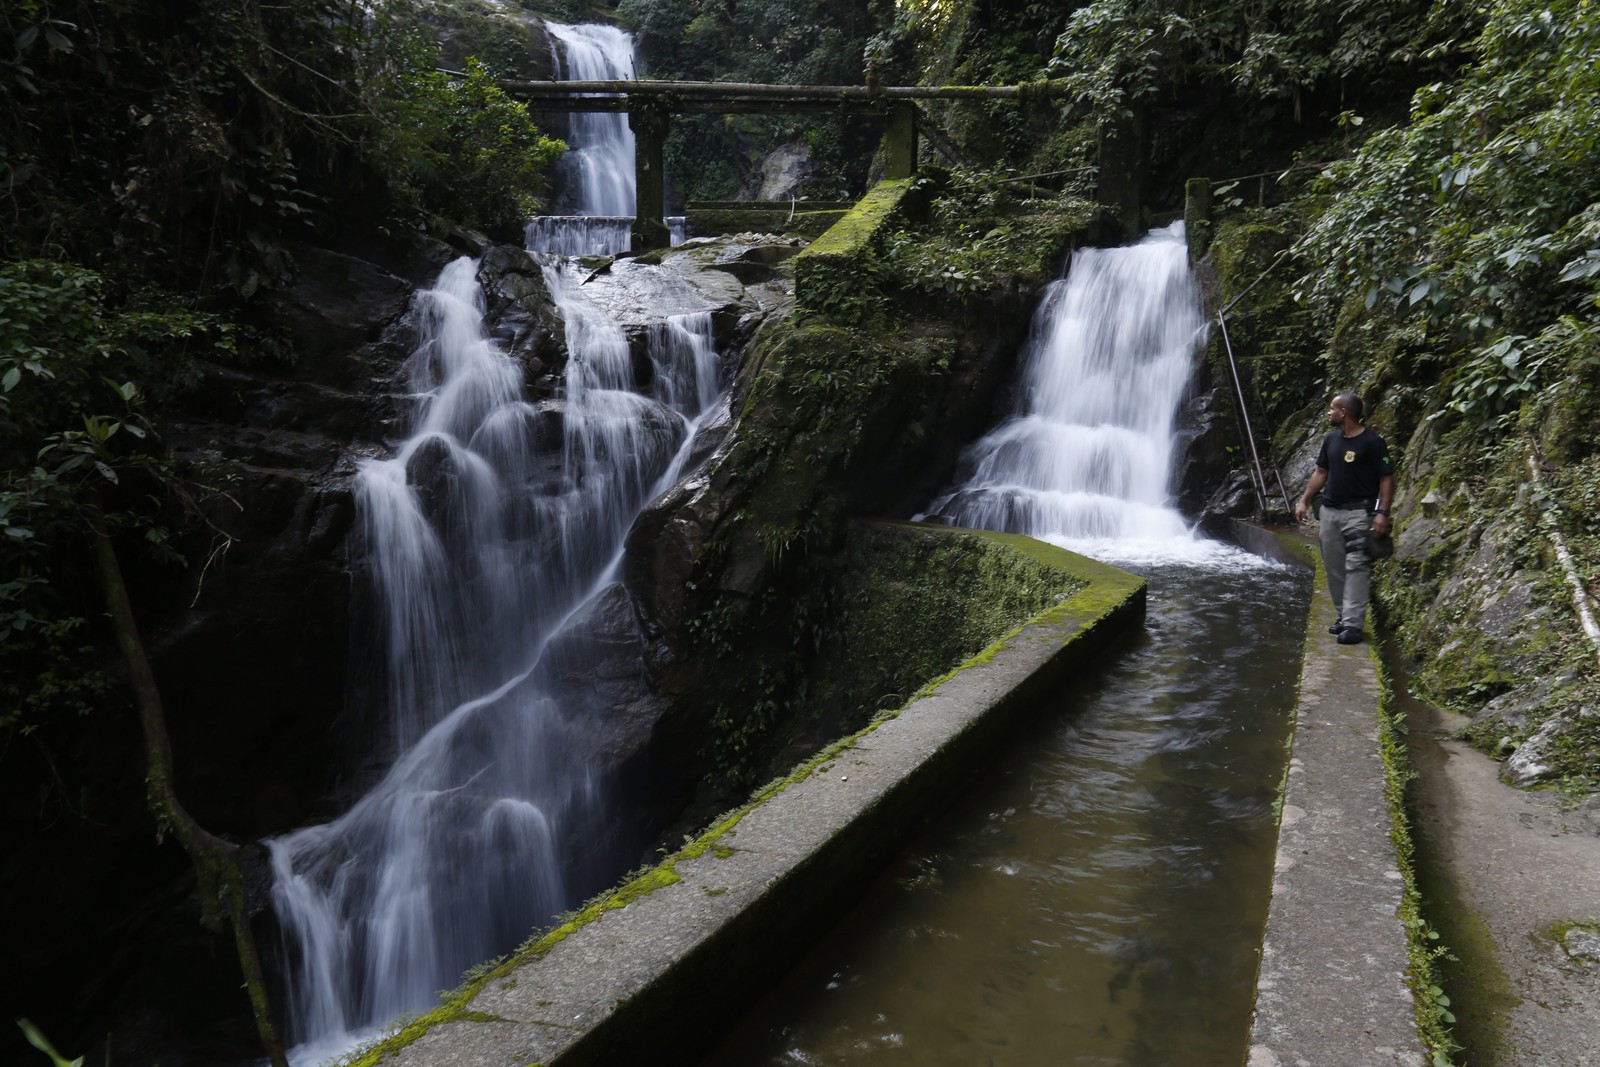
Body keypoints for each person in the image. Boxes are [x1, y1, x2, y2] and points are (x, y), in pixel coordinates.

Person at [1293, 392, 1394, 644]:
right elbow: (1320, 472)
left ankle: (1353, 625)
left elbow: (1386, 479)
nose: (1329, 412)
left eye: (1332, 408)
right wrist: (1304, 500)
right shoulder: (1331, 441)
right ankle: (1342, 617)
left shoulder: (1373, 442)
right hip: (1329, 512)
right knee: (1334, 567)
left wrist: (1382, 512)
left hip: (1360, 513)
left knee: (1357, 566)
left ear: (1343, 413)